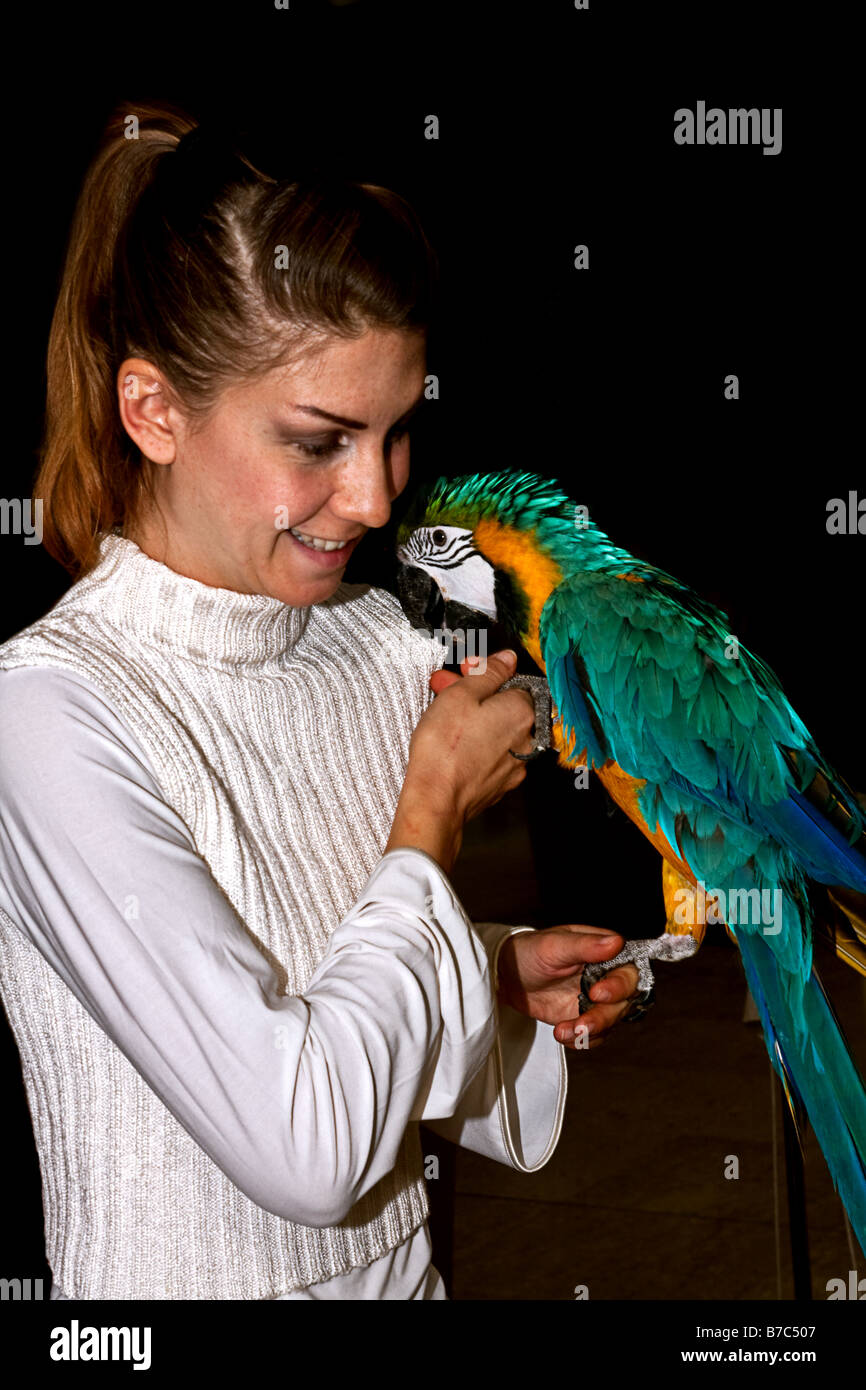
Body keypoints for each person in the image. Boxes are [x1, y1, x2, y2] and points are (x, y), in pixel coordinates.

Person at [0, 102, 640, 1301]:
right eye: (317, 442)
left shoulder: (372, 641)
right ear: (153, 412)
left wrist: (487, 977)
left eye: (394, 434)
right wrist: (431, 805)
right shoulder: (53, 714)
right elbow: (305, 1144)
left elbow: (330, 989)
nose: (374, 498)